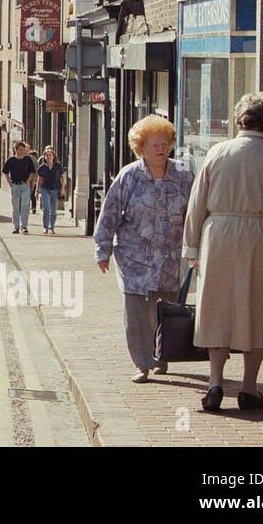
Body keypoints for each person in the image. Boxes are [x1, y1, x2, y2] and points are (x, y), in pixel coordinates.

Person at [185, 92, 263, 412]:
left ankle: (214, 384)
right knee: (259, 310)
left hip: (219, 235)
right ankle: (249, 388)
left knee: (217, 308)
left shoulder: (217, 152)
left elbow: (196, 204)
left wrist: (192, 247)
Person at [94, 116, 194, 383]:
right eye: (154, 145)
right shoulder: (130, 176)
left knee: (165, 310)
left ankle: (162, 356)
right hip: (133, 257)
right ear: (141, 148)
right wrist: (102, 249)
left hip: (170, 257)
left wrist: (196, 247)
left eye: (164, 144)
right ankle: (142, 363)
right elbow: (110, 213)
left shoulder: (184, 174)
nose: (161, 149)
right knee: (137, 313)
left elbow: (195, 213)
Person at [2, 142, 37, 234]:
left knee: (25, 206)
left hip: (25, 186)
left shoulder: (28, 160)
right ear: (16, 150)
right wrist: (9, 182)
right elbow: (5, 171)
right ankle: (16, 226)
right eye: (20, 150)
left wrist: (28, 181)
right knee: (16, 207)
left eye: (23, 150)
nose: (22, 152)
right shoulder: (11, 160)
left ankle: (24, 226)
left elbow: (32, 172)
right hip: (15, 186)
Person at [36, 146, 66, 235]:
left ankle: (51, 227)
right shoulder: (42, 167)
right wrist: (37, 191)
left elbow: (63, 177)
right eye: (47, 155)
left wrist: (62, 189)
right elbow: (39, 179)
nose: (49, 157)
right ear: (44, 157)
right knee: (46, 208)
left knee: (53, 210)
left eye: (50, 155)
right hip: (44, 189)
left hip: (55, 189)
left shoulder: (58, 166)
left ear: (53, 156)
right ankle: (45, 227)